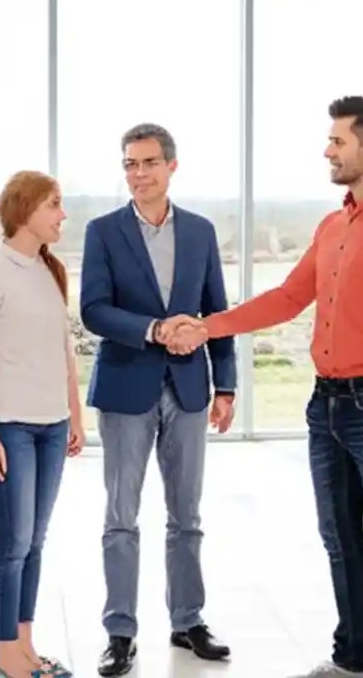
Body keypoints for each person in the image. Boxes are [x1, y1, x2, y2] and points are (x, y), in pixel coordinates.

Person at [161, 96, 363, 678]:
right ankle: (352, 660)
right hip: (326, 404)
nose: (327, 150)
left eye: (337, 141)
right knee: (340, 539)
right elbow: (289, 298)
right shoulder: (334, 225)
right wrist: (205, 327)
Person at [79, 123, 237, 676]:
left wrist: (228, 384)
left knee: (186, 515)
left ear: (172, 166)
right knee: (120, 516)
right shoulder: (103, 232)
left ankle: (188, 620)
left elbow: (217, 312)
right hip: (127, 388)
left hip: (190, 388)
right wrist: (153, 329)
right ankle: (120, 632)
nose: (138, 174)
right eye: (129, 164)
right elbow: (93, 310)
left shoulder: (200, 232)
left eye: (148, 163)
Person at [0, 170, 86, 678]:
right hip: (8, 428)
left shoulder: (49, 271)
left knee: (35, 541)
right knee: (11, 543)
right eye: (54, 204)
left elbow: (64, 350)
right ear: (24, 209)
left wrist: (75, 416)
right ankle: (5, 655)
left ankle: (27, 647)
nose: (62, 214)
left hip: (51, 426)